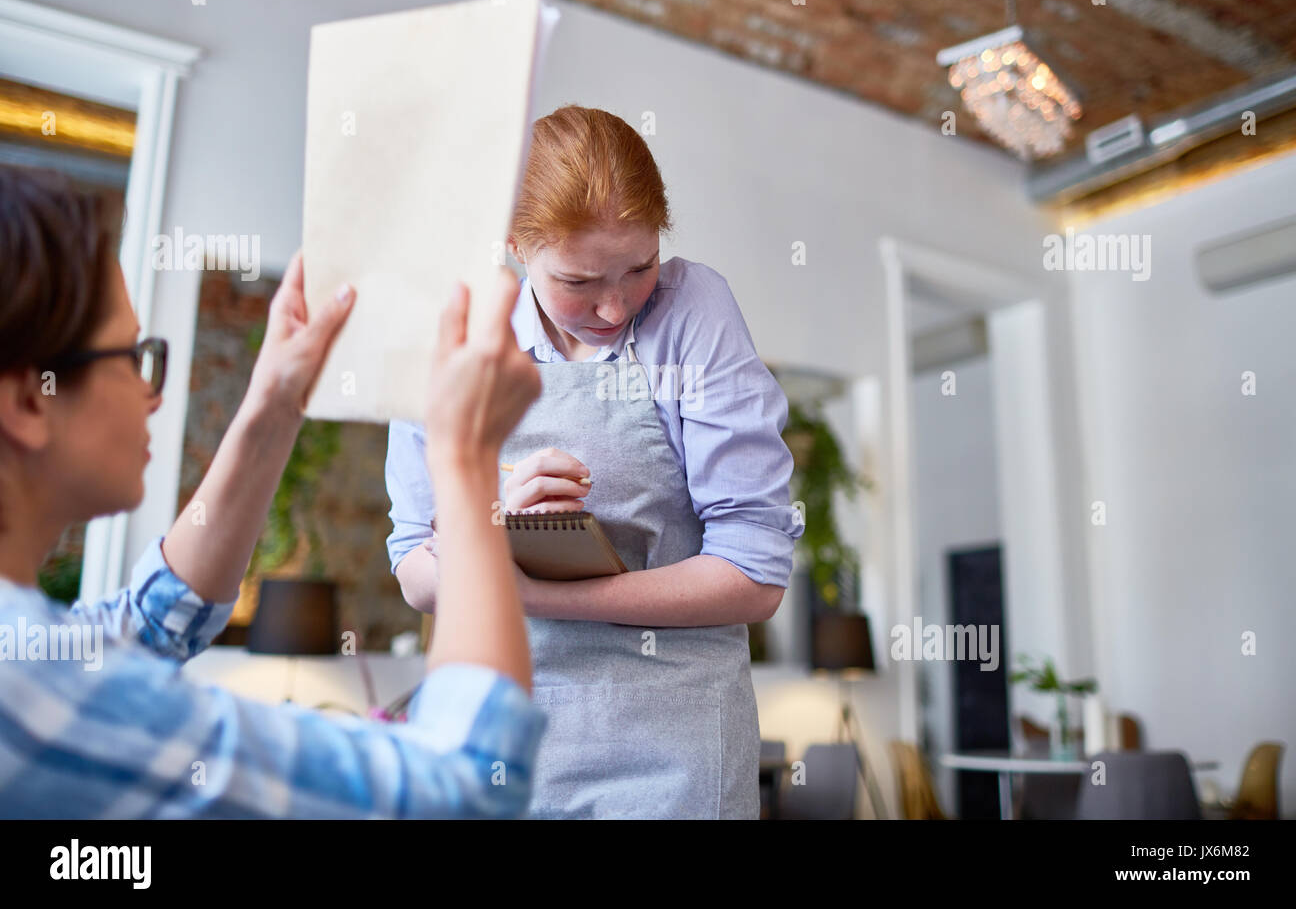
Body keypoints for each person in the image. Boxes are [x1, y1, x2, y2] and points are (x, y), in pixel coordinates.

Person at [0, 164, 546, 817]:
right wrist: (466, 457)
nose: (153, 392)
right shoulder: (30, 691)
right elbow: (464, 789)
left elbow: (152, 621)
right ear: (31, 399)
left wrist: (275, 403)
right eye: (131, 355)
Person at [386, 105, 804, 818]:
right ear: (518, 246)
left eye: (638, 267)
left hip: (673, 750)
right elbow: (415, 572)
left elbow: (754, 574)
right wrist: (490, 529)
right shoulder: (456, 335)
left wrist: (535, 594)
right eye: (577, 282)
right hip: (500, 742)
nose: (613, 308)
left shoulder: (692, 310)